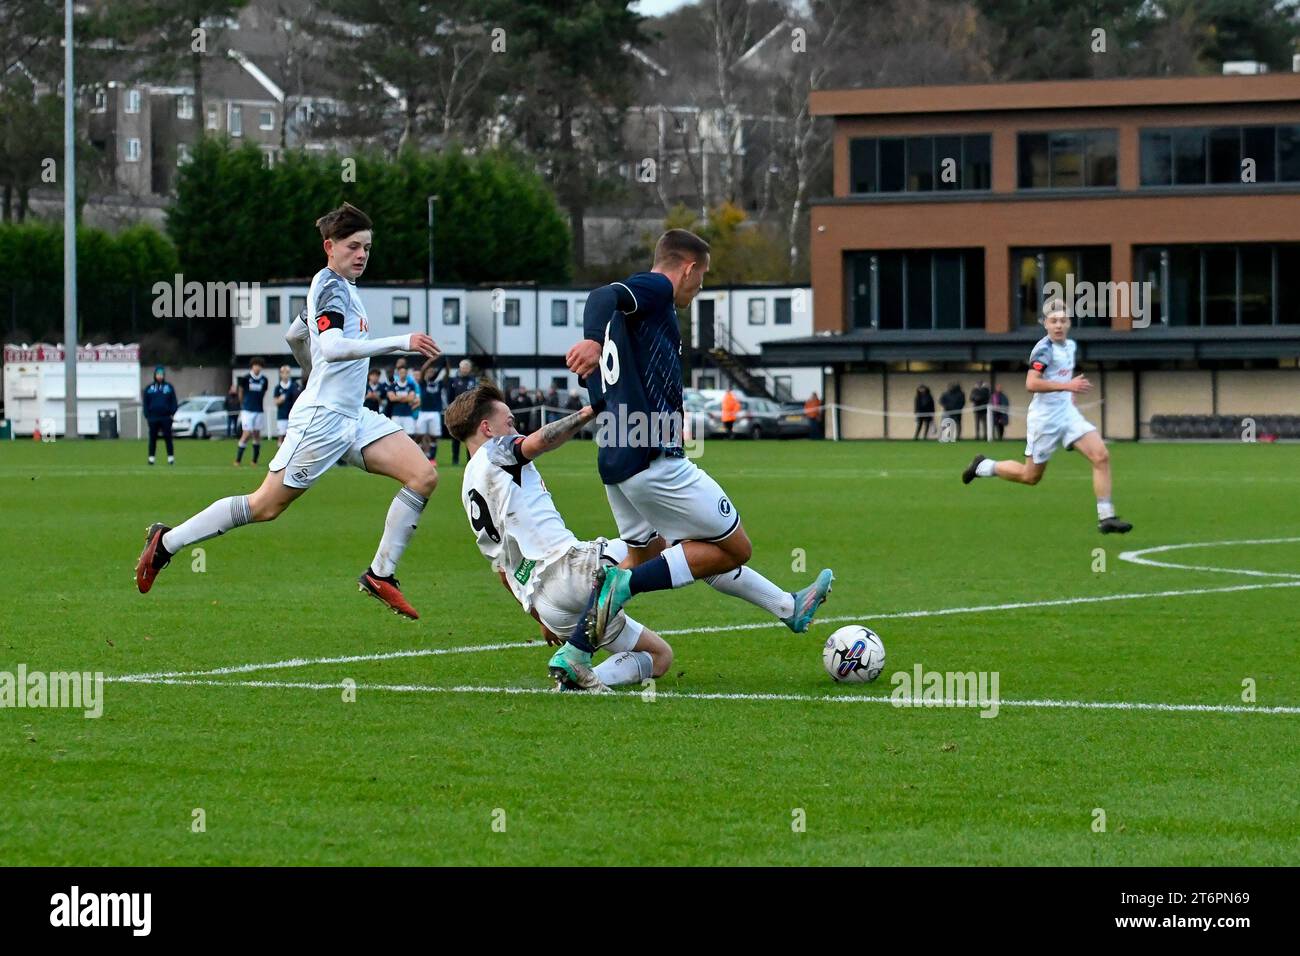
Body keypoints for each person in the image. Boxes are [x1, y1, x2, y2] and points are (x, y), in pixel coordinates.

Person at [135, 201, 442, 618]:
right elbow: (331, 348)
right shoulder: (331, 285)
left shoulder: (341, 289)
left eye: (367, 247)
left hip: (353, 417)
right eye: (353, 247)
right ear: (328, 247)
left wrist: (312, 371)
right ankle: (166, 543)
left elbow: (295, 334)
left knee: (423, 475)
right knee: (264, 506)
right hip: (323, 420)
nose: (362, 255)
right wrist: (399, 341)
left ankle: (380, 575)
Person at [560, 228, 834, 679]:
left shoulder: (632, 318)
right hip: (655, 459)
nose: (699, 286)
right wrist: (591, 339)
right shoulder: (655, 289)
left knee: (662, 556)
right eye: (701, 277)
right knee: (733, 547)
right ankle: (621, 586)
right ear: (688, 268)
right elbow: (601, 294)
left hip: (616, 459)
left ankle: (575, 653)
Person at [447, 380, 674, 692]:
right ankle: (738, 566)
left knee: (659, 656)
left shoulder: (468, 487)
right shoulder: (494, 451)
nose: (515, 429)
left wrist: (541, 619)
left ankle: (574, 677)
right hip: (571, 571)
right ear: (487, 428)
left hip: (546, 605)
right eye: (510, 423)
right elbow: (539, 441)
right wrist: (589, 411)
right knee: (671, 542)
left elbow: (502, 573)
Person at [962, 298, 1133, 534]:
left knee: (1101, 456)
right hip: (1045, 420)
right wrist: (1067, 387)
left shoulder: (1070, 346)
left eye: (1063, 320)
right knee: (1030, 476)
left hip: (1067, 415)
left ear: (1069, 323)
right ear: (1045, 324)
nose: (1059, 325)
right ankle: (983, 466)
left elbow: (1064, 378)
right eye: (1054, 321)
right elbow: (1031, 383)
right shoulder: (1043, 349)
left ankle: (1106, 517)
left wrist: (1069, 394)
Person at [233, 357, 269, 466]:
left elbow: (263, 392)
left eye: (259, 365)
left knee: (257, 434)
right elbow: (241, 391)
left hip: (258, 410)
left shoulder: (264, 380)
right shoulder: (246, 378)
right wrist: (242, 403)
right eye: (255, 365)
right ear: (252, 366)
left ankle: (254, 461)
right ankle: (238, 460)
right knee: (247, 433)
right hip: (247, 410)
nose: (257, 367)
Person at [142, 365, 178, 465]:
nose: (160, 376)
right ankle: (151, 459)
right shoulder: (149, 388)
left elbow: (174, 402)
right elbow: (145, 403)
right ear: (155, 375)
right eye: (158, 374)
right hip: (153, 418)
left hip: (166, 417)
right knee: (153, 438)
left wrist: (172, 413)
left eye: (161, 374)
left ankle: (170, 458)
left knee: (168, 438)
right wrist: (147, 415)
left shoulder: (169, 387)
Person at [445, 359, 478, 465]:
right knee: (456, 436)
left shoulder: (473, 380)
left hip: (470, 413)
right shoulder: (454, 381)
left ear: (469, 369)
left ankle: (470, 459)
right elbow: (449, 396)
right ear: (460, 368)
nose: (465, 369)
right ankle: (455, 459)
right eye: (463, 367)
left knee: (470, 436)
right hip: (457, 412)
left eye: (467, 367)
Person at [415, 360, 446, 462]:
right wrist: (431, 360)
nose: (430, 373)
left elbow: (447, 375)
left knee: (433, 436)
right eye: (429, 372)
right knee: (419, 435)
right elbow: (423, 370)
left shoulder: (439, 383)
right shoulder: (423, 383)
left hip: (435, 412)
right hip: (423, 412)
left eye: (432, 372)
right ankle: (419, 457)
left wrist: (446, 364)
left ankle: (432, 458)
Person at [387, 360, 421, 437]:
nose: (403, 374)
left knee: (410, 436)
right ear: (398, 373)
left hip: (408, 415)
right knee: (395, 436)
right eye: (401, 373)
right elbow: (392, 398)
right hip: (396, 415)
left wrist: (398, 398)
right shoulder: (392, 386)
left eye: (404, 373)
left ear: (407, 374)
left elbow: (411, 398)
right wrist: (406, 398)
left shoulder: (411, 385)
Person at [273, 365, 300, 446]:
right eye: (283, 373)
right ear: (280, 374)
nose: (285, 374)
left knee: (293, 437)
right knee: (281, 436)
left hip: (293, 415)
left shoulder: (294, 386)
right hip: (282, 415)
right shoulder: (278, 388)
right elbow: (276, 402)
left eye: (287, 372)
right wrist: (281, 399)